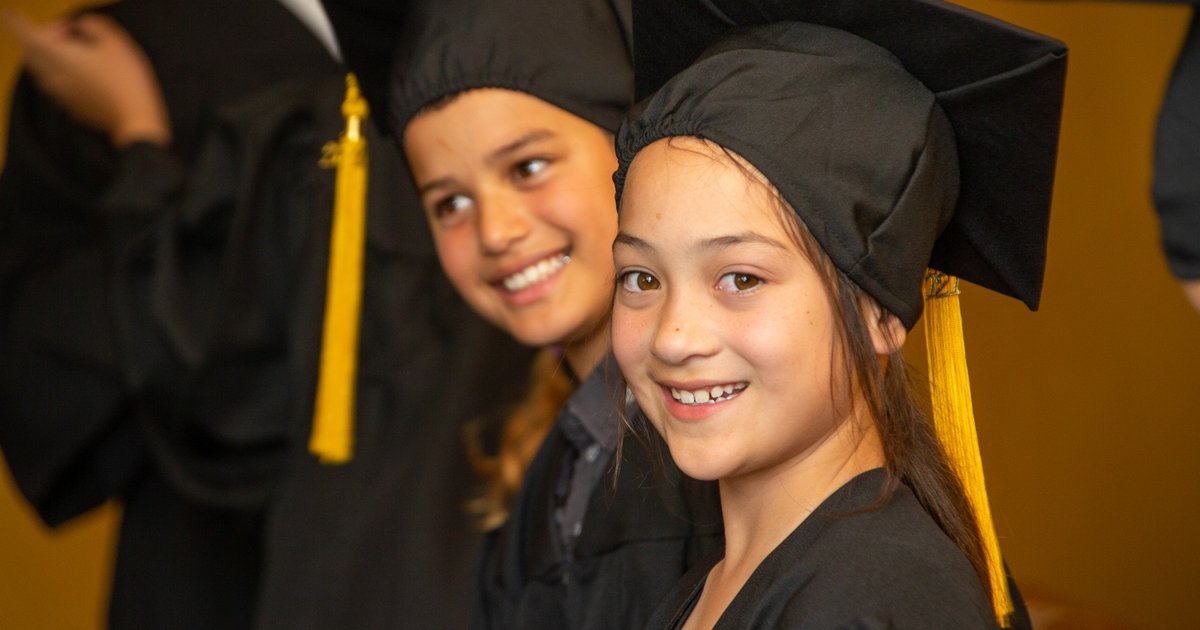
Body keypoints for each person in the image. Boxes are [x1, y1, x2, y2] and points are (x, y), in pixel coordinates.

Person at [0, 2, 528, 628]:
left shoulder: (507, 35)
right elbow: (68, 370)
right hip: (217, 555)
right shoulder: (153, 43)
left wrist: (143, 145)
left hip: (447, 516)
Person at [609, 0, 1066, 627]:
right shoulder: (710, 591)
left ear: (880, 309)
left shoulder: (873, 599)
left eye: (741, 277)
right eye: (641, 277)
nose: (673, 335)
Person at [389, 0, 722, 627]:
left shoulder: (708, 457)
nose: (494, 231)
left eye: (528, 167)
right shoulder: (567, 456)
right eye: (450, 202)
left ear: (633, 152)